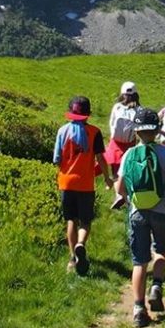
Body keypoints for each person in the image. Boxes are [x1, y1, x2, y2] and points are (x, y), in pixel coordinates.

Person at [116, 107, 165, 328]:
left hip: (137, 211)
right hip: (162, 210)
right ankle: (156, 286)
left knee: (139, 262)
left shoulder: (128, 155)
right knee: (161, 251)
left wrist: (130, 196)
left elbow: (119, 188)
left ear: (136, 132)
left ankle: (138, 309)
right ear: (157, 130)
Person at [52, 95, 114, 275]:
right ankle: (81, 244)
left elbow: (57, 159)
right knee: (85, 221)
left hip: (66, 181)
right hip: (86, 184)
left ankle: (72, 258)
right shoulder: (94, 132)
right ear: (89, 114)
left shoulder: (62, 131)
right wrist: (108, 178)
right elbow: (101, 158)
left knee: (71, 219)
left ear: (70, 113)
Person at [105, 81, 139, 207]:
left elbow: (111, 123)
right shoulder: (138, 109)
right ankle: (127, 195)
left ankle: (119, 195)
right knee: (128, 171)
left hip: (116, 142)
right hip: (129, 143)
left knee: (115, 171)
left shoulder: (117, 107)